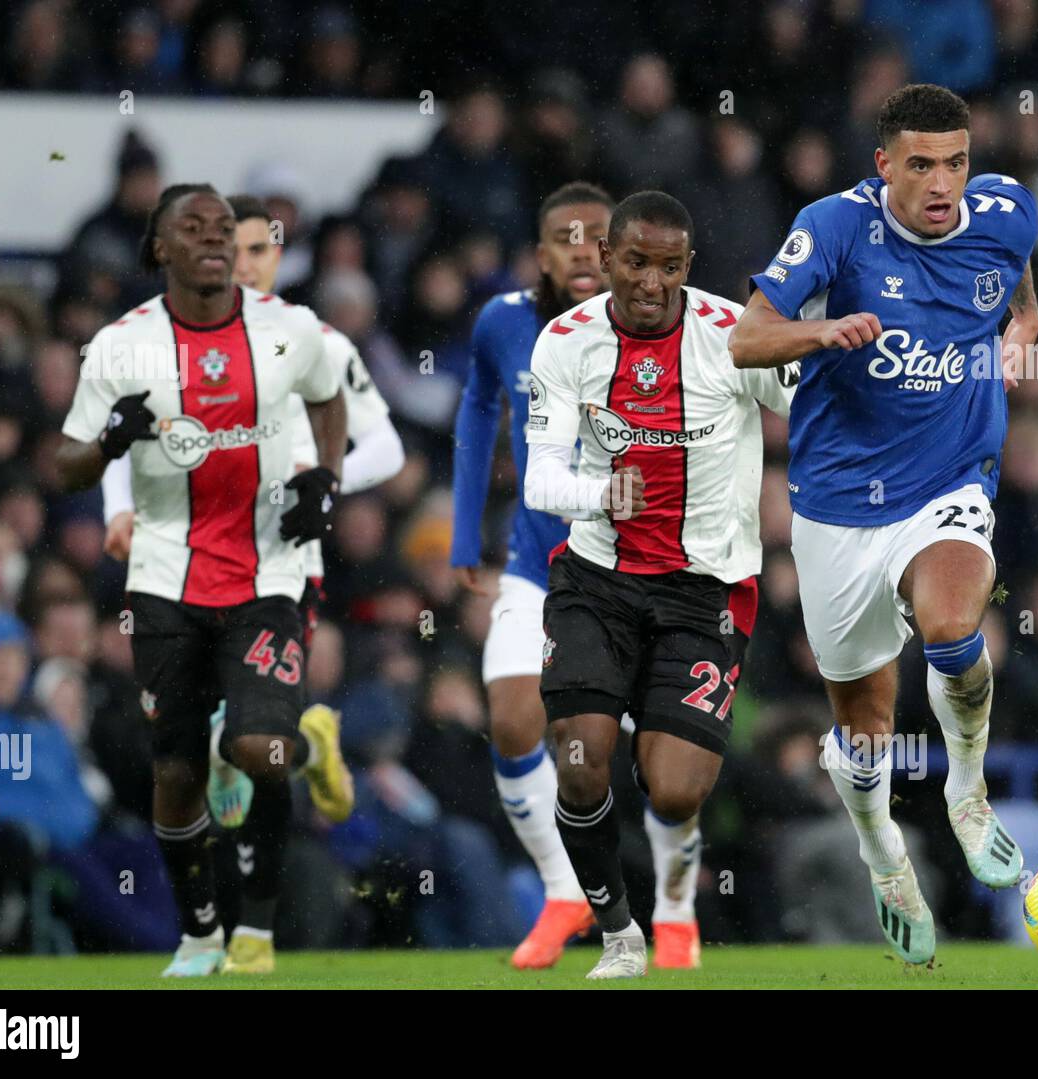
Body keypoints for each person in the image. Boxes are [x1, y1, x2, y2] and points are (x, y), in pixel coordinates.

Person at [730, 83, 1038, 964]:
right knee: (864, 730)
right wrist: (819, 336)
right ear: (884, 166)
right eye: (921, 165)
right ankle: (883, 855)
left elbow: (1022, 290)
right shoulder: (835, 226)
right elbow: (748, 340)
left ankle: (969, 794)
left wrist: (1020, 333)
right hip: (836, 505)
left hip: (950, 478)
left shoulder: (1008, 210)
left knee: (951, 624)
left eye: (956, 162)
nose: (942, 183)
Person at [54, 184, 350, 977]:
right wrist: (110, 439)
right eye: (194, 228)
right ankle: (198, 932)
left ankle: (256, 932)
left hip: (267, 573)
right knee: (179, 770)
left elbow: (330, 398)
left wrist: (325, 477)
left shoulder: (288, 330)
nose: (216, 240)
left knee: (256, 746)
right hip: (162, 576)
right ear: (160, 249)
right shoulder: (121, 346)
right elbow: (66, 459)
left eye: (225, 228)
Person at [522, 191, 796, 978]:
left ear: (688, 268)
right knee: (579, 761)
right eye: (635, 262)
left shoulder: (733, 335)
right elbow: (542, 475)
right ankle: (619, 934)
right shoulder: (565, 342)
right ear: (606, 257)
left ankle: (659, 732)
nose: (651, 281)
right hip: (596, 580)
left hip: (703, 590)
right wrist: (595, 495)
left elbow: (812, 405)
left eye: (668, 266)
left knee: (674, 793)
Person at [455, 181, 716, 970]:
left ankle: (675, 909)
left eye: (593, 234)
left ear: (618, 252)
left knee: (662, 764)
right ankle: (564, 889)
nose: (578, 246)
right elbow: (475, 407)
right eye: (562, 235)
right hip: (544, 565)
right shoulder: (506, 323)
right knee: (511, 721)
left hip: (656, 574)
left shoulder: (677, 332)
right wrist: (467, 530)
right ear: (542, 253)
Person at [100, 193, 405, 832]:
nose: (242, 264)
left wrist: (326, 479)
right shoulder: (165, 340)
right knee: (198, 727)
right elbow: (122, 435)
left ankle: (257, 751)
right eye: (228, 250)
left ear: (279, 256)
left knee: (252, 735)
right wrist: (118, 509)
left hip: (282, 561)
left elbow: (388, 446)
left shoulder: (317, 341)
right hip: (183, 552)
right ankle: (281, 748)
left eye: (258, 250)